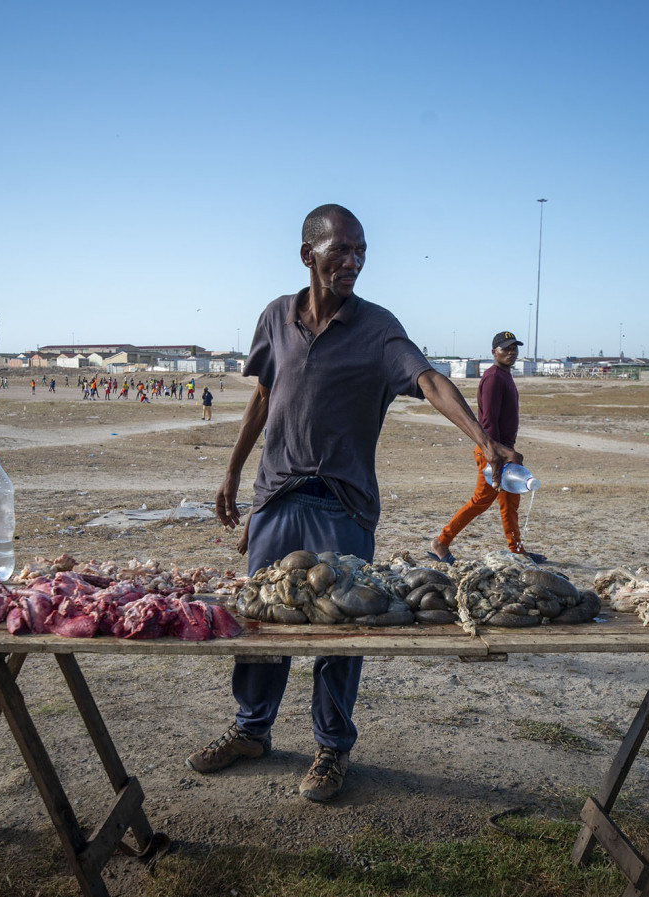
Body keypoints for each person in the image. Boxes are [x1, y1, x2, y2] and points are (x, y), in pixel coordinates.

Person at [186, 204, 519, 802]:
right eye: (341, 249)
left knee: (344, 627)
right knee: (262, 620)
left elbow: (430, 380)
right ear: (307, 253)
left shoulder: (376, 327)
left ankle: (331, 750)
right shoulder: (274, 318)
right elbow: (265, 395)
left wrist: (483, 438)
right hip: (277, 497)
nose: (354, 261)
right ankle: (250, 731)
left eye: (361, 251)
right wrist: (233, 472)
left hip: (345, 505)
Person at [429, 330, 544, 563]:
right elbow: (488, 423)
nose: (511, 352)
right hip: (492, 451)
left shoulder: (504, 375)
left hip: (504, 452)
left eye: (514, 348)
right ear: (494, 352)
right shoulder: (493, 378)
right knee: (481, 500)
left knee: (511, 501)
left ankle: (517, 550)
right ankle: (441, 542)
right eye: (506, 348)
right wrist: (498, 454)